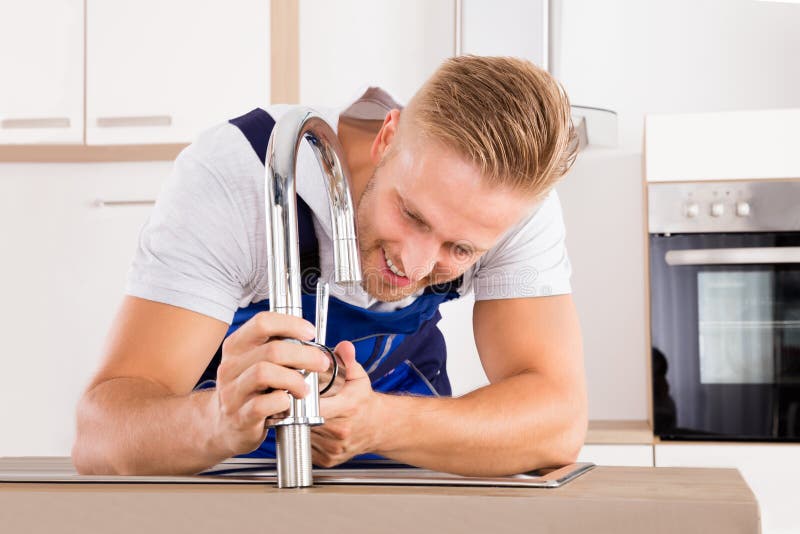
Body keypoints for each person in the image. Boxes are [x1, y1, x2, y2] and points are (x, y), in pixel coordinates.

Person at [72, 55, 587, 476]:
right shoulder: (237, 177)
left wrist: (379, 423)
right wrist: (218, 421)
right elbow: (100, 435)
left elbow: (557, 422)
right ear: (388, 137)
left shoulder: (511, 206)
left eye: (461, 250)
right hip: (228, 490)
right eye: (410, 215)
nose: (414, 263)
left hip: (404, 489)